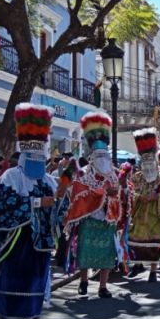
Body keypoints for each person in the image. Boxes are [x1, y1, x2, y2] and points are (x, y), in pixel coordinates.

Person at [0, 105, 59, 319]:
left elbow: (57, 210)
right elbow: (4, 205)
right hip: (16, 242)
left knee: (36, 280)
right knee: (7, 279)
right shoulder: (11, 176)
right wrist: (36, 204)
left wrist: (62, 199)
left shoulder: (48, 179)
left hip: (40, 243)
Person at [66, 112, 121, 298]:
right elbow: (78, 193)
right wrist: (99, 194)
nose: (103, 159)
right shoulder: (84, 174)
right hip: (89, 220)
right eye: (99, 155)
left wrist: (113, 195)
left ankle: (103, 287)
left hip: (107, 220)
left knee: (106, 255)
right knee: (85, 254)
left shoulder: (114, 174)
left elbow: (119, 193)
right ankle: (83, 282)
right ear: (92, 155)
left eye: (105, 155)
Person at [127, 128, 160, 283]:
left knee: (155, 242)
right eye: (144, 160)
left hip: (156, 214)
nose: (147, 164)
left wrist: (157, 196)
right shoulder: (137, 177)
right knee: (135, 239)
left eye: (150, 160)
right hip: (139, 212)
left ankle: (153, 271)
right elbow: (131, 192)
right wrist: (140, 197)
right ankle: (136, 265)